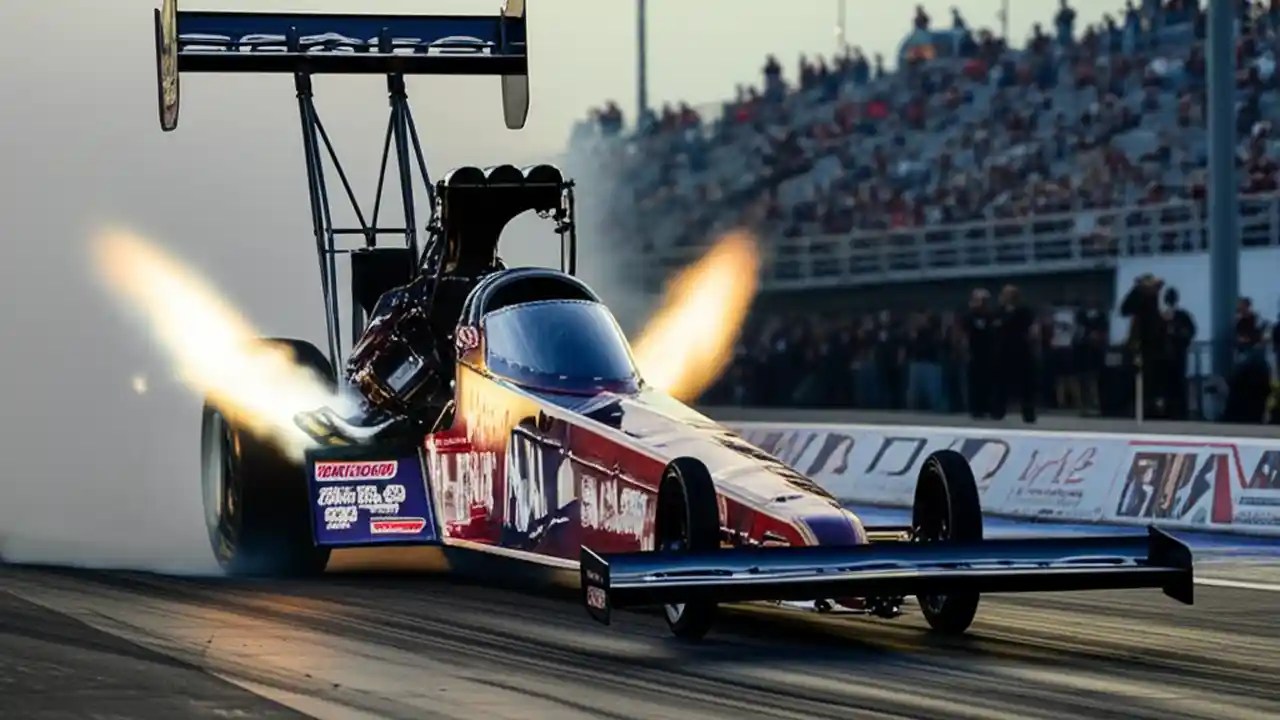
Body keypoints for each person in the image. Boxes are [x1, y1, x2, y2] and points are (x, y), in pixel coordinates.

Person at [993, 285, 1038, 423]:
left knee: (1025, 385)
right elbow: (994, 327)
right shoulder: (998, 311)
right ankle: (998, 412)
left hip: (1021, 350)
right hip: (1003, 351)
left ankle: (1028, 413)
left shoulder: (1024, 311)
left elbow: (1030, 328)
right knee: (1000, 384)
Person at [1163, 287, 1196, 420]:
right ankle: (1173, 409)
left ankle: (1179, 410)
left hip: (1176, 353)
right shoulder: (1173, 316)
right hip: (1171, 354)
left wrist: (1177, 334)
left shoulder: (1180, 316)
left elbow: (1190, 332)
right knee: (1172, 383)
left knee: (1177, 383)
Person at [963, 289, 997, 418]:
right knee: (975, 383)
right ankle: (976, 410)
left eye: (984, 301)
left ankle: (990, 408)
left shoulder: (990, 316)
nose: (982, 303)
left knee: (989, 383)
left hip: (989, 354)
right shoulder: (968, 316)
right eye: (980, 300)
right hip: (974, 354)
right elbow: (964, 334)